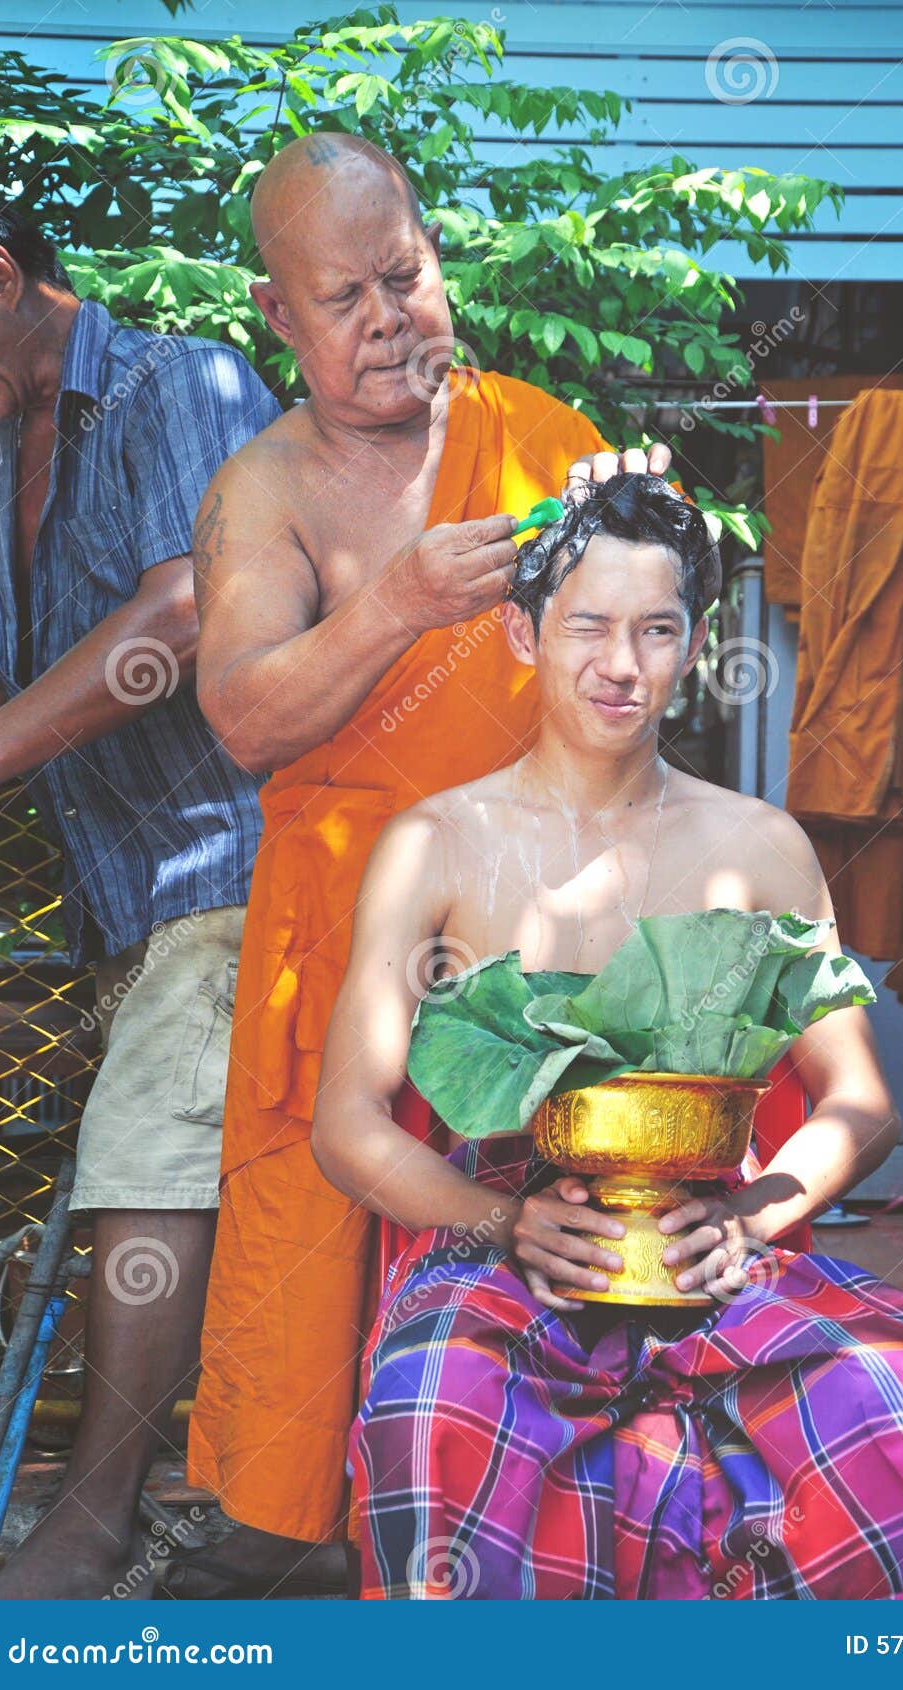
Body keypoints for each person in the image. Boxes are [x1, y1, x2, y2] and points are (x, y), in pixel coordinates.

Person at [315, 472, 903, 1601]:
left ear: (694, 644)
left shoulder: (761, 843)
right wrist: (508, 1219)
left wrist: (747, 1218)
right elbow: (347, 1123)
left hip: (713, 1239)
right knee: (434, 1407)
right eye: (587, 626)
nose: (621, 664)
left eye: (656, 630)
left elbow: (859, 1100)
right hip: (505, 1247)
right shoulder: (437, 843)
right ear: (519, 631)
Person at [179, 132, 666, 1597]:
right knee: (313, 1237)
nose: (389, 319)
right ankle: (292, 1540)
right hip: (346, 926)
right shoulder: (264, 487)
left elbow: (634, 671)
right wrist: (391, 601)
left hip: (540, 919)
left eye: (406, 275)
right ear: (281, 316)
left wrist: (639, 543)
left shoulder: (534, 433)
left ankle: (529, 1512)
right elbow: (245, 715)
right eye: (345, 297)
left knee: (547, 1226)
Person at [0, 198, 278, 1599]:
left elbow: (181, 619)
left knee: (155, 1098)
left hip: (250, 862)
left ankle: (95, 1515)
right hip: (117, 896)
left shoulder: (183, 386)